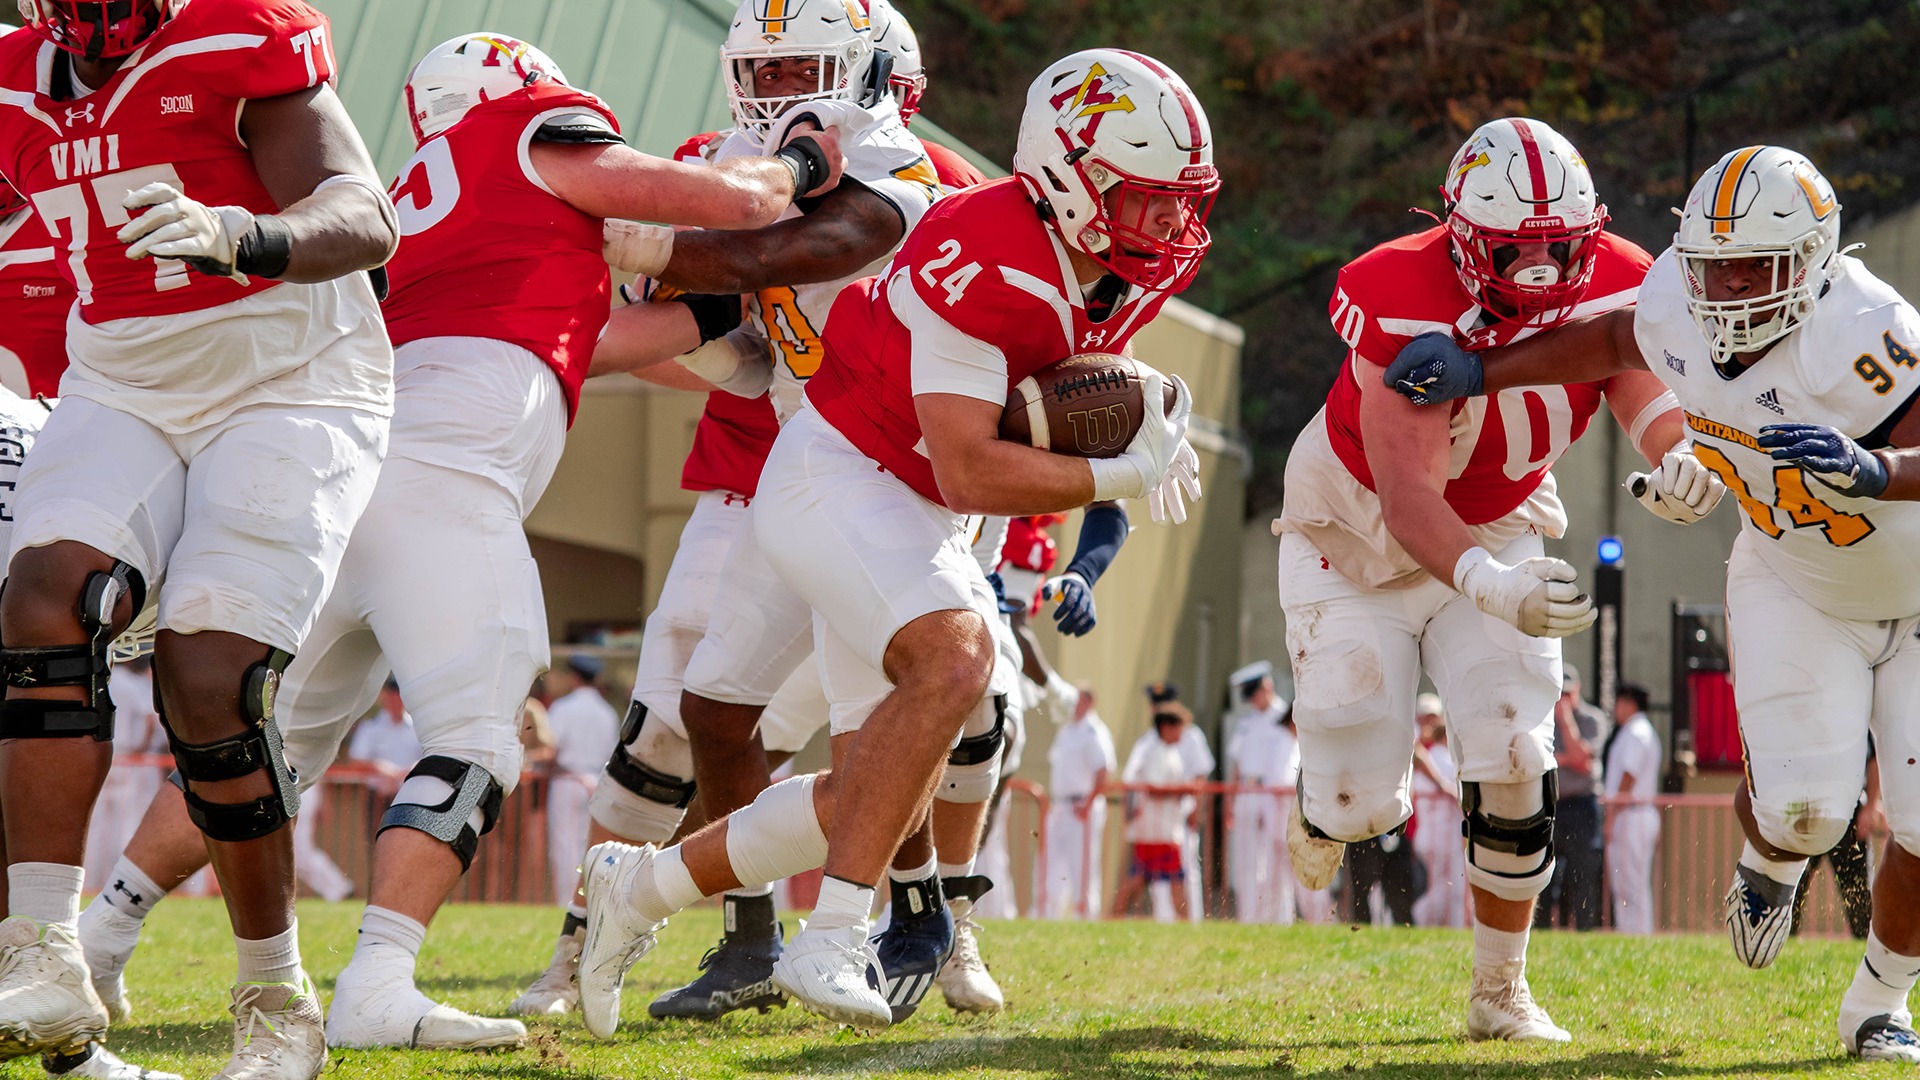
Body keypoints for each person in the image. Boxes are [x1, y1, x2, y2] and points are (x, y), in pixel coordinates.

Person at [66, 26, 837, 1059]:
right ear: (516, 88)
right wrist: (794, 166)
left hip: (355, 472)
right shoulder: (523, 133)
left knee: (269, 744)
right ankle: (379, 977)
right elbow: (732, 203)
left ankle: (102, 935)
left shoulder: (420, 200)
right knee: (478, 735)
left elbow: (583, 343)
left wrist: (716, 321)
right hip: (446, 479)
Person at [573, 46, 1214, 1032]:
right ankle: (835, 936)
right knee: (958, 664)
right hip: (846, 472)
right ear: (1070, 176)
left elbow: (1048, 399)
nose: (1172, 223)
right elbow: (971, 464)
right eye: (1145, 198)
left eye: (1182, 199)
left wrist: (1140, 419)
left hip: (901, 493)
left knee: (876, 768)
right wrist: (1118, 473)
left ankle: (642, 888)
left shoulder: (1092, 261)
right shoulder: (989, 245)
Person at [1383, 144, 1920, 1060]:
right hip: (1796, 578)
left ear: (1815, 260)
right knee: (1805, 813)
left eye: (1755, 265)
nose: (1729, 287)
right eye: (1713, 265)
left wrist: (1879, 468)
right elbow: (1611, 340)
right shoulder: (1678, 297)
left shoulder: (1867, 332)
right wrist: (1483, 370)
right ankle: (1773, 855)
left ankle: (1879, 1003)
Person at [521, 0, 950, 1024]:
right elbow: (754, 347)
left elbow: (777, 259)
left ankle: (912, 915)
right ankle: (752, 939)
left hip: (899, 467)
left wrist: (635, 238)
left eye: (802, 66)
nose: (775, 92)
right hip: (809, 456)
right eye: (760, 71)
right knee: (713, 708)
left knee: (873, 721)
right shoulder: (739, 164)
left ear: (868, 75)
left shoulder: (898, 170)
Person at [0, 0, 402, 1071]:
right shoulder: (11, 82)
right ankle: (40, 948)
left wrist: (247, 234)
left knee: (209, 674)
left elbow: (364, 214)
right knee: (44, 601)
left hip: (294, 379)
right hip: (125, 379)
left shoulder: (238, 35)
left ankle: (275, 994)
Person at [1275, 117, 1717, 1044]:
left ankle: (1499, 989)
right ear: (1464, 237)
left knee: (1518, 747)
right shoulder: (1401, 291)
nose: (1548, 276)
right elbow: (1406, 496)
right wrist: (1492, 586)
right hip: (1357, 528)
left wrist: (1681, 457)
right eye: (1522, 253)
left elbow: (1637, 382)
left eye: (1565, 251)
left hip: (1504, 515)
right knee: (1360, 791)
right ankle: (1324, 803)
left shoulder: (1623, 275)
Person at [1112, 708, 1201, 922]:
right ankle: (1114, 916)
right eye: (1179, 728)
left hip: (1164, 829)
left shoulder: (1170, 752)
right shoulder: (1156, 752)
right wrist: (1183, 789)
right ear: (1166, 728)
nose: (1182, 734)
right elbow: (1152, 787)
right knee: (1152, 878)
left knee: (1144, 877)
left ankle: (1114, 916)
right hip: (1157, 831)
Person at [546, 655, 621, 908]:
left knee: (565, 845)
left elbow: (551, 746)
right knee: (590, 845)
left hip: (569, 779)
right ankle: (589, 901)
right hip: (598, 781)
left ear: (574, 677)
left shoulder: (564, 707)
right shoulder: (607, 711)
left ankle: (567, 901)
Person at [1537, 664, 1607, 931]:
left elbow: (1583, 758)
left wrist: (1566, 721)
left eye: (1568, 693)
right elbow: (1541, 760)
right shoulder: (1543, 720)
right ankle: (1540, 930)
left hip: (1582, 806)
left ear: (1578, 690)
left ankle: (1585, 929)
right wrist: (1568, 760)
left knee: (1584, 871)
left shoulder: (1592, 719)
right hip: (1551, 804)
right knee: (1543, 872)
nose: (1562, 699)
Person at [1224, 662, 1291, 924]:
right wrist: (1231, 801)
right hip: (1246, 791)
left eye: (1255, 694)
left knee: (1274, 860)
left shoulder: (1284, 717)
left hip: (1271, 792)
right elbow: (1237, 764)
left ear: (1267, 687)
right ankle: (1249, 916)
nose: (1253, 701)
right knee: (1246, 859)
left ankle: (1279, 917)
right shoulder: (1247, 721)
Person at [1044, 683, 1115, 919]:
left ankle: (1085, 916)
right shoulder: (1066, 730)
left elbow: (1103, 770)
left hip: (1081, 806)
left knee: (1081, 867)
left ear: (1089, 702)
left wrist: (1089, 803)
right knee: (1052, 864)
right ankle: (1049, 916)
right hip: (1061, 805)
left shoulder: (1093, 731)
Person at [1603, 683, 1661, 934]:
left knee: (1632, 883)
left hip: (1632, 813)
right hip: (1630, 813)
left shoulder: (1637, 732)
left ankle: (1638, 935)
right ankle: (1628, 933)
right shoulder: (1634, 731)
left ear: (1629, 703)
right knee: (1624, 883)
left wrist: (1610, 817)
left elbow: (1628, 777)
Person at [1411, 694, 1468, 928]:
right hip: (1438, 834)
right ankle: (1423, 920)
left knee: (1446, 886)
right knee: (1447, 888)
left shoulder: (1436, 756)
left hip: (1437, 833)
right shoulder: (1440, 757)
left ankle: (1432, 924)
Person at [344, 680, 421, 802]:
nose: (395, 703)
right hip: (378, 797)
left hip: (412, 796)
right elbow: (355, 759)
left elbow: (431, 754)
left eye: (399, 698)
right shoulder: (370, 727)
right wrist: (379, 767)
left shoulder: (418, 726)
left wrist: (415, 767)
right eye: (392, 698)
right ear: (384, 698)